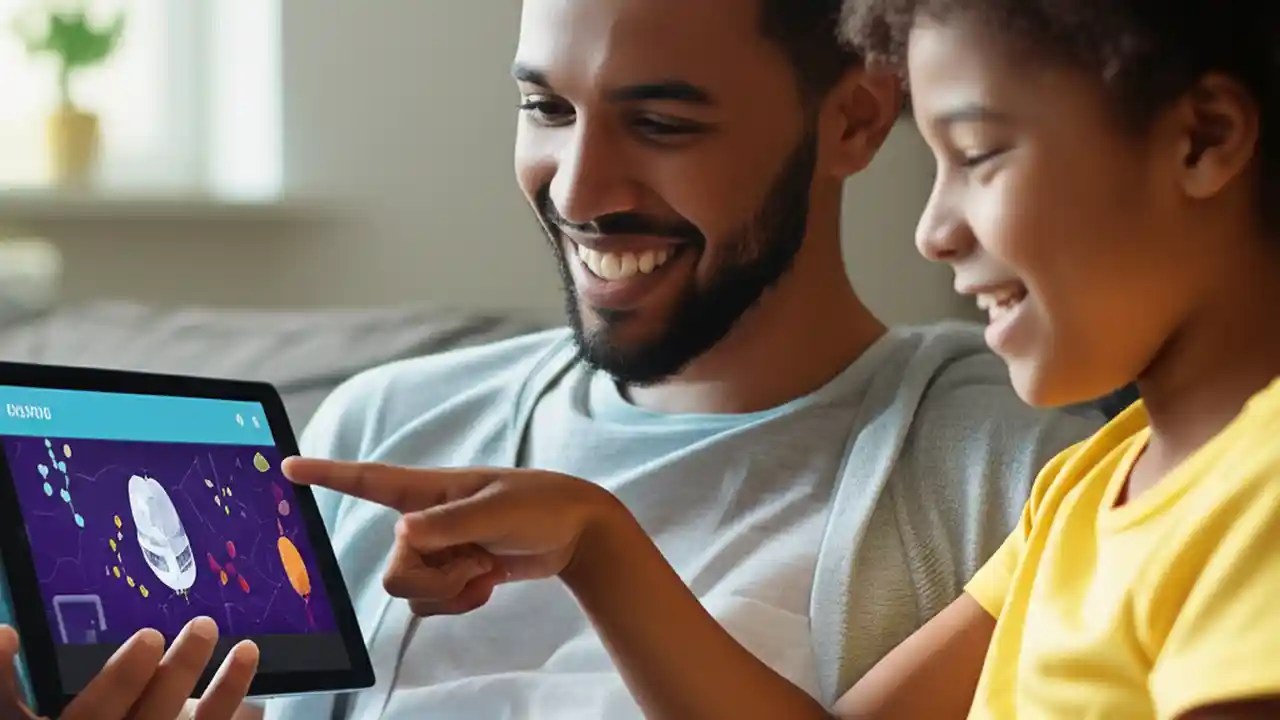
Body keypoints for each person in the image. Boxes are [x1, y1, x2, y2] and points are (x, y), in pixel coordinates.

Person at [1, 0, 1100, 718]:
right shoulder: (384, 423)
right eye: (546, 108)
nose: (578, 189)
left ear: (853, 124)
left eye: (661, 124)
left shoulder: (1009, 465)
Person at [285, 1, 1280, 718]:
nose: (931, 231)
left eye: (976, 157)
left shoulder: (1197, 487)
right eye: (546, 109)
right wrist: (598, 544)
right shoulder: (1085, 490)